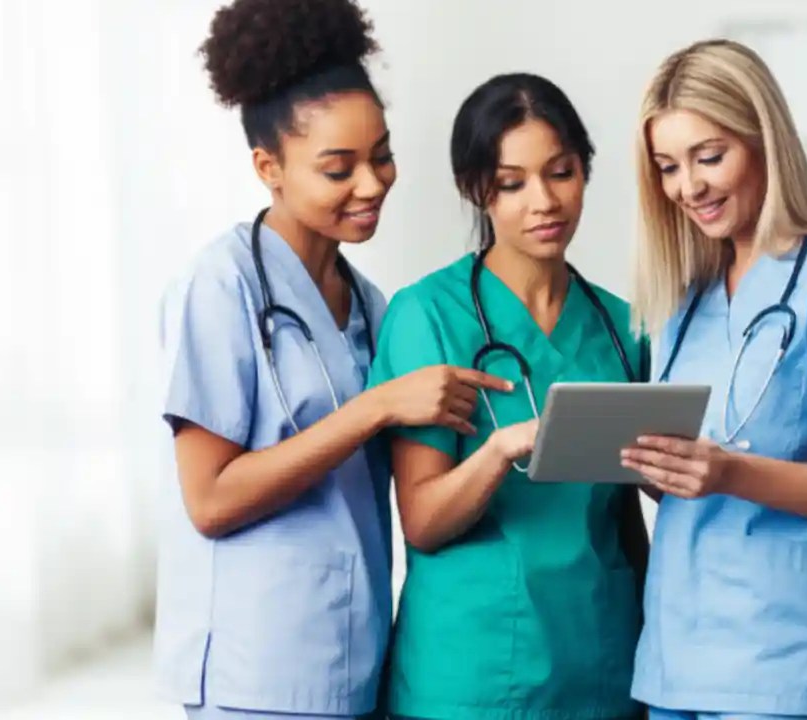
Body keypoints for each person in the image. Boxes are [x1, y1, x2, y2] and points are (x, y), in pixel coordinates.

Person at [154, 1, 509, 717]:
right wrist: (375, 407)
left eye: (381, 155)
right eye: (338, 168)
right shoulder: (221, 286)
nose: (373, 183)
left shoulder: (372, 306)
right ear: (269, 167)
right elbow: (211, 500)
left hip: (353, 663)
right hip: (256, 676)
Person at [619, 39, 807, 720]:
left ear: (766, 141)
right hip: (679, 659)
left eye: (709, 156)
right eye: (668, 167)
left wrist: (729, 473)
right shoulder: (685, 299)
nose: (687, 187)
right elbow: (702, 486)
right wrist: (655, 466)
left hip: (789, 661)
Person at [367, 73, 650, 720]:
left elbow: (624, 519)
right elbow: (423, 521)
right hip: (472, 672)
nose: (544, 201)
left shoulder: (619, 327)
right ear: (476, 190)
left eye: (562, 172)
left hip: (601, 669)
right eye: (512, 183)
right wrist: (499, 451)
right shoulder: (428, 318)